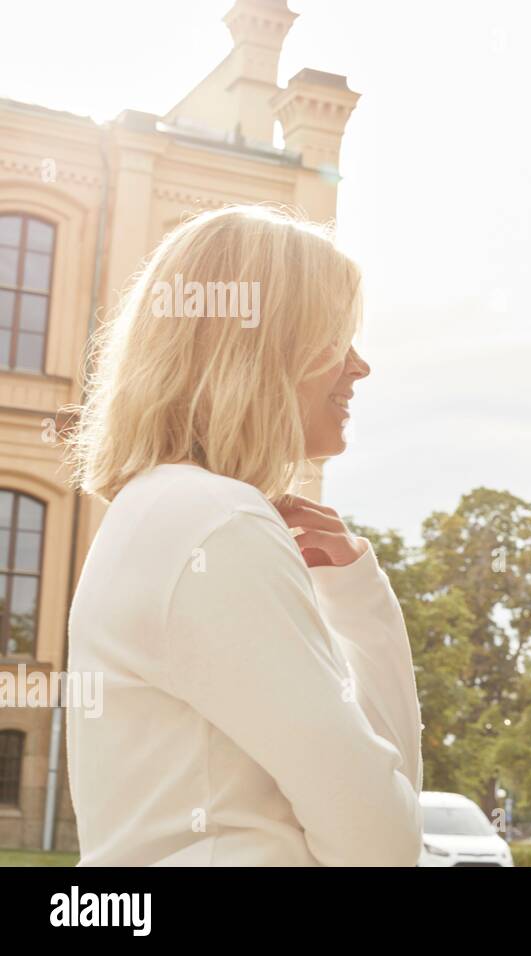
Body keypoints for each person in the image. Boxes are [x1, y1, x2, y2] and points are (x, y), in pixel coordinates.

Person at [65, 205, 424, 866]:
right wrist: (365, 609)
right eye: (336, 337)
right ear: (266, 346)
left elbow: (383, 806)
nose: (360, 367)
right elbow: (385, 846)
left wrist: (357, 595)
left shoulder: (164, 513)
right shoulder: (216, 520)